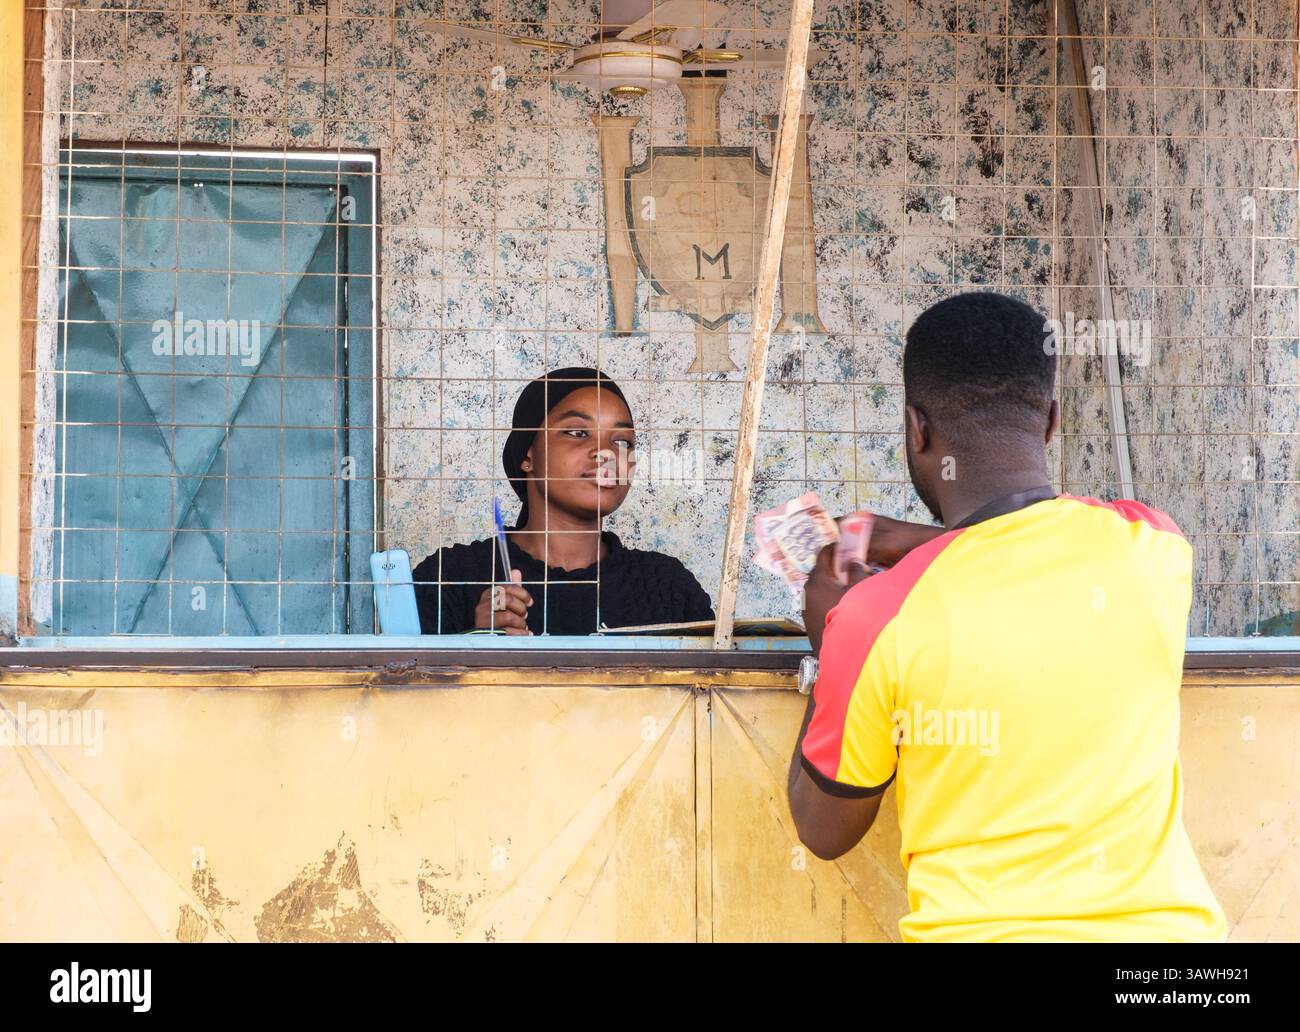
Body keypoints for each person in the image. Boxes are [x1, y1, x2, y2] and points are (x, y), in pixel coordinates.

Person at [787, 291, 1227, 942]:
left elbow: (823, 831)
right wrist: (922, 544)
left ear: (917, 428)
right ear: (1051, 419)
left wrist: (830, 644)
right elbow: (1027, 546)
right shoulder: (1156, 549)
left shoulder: (874, 620)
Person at [413, 367, 714, 635]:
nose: (606, 453)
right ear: (527, 455)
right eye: (578, 432)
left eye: (622, 441)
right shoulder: (448, 578)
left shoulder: (667, 586)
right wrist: (476, 641)